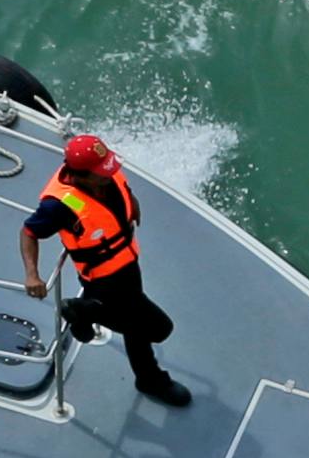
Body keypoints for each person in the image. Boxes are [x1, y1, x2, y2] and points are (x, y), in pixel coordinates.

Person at [20, 131, 193, 407]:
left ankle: (149, 379)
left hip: (128, 266)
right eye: (102, 171)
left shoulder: (104, 177)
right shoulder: (59, 205)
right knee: (159, 328)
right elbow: (29, 232)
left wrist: (132, 204)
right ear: (82, 176)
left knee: (136, 328)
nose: (109, 173)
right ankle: (82, 310)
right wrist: (32, 274)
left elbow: (122, 189)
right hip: (103, 281)